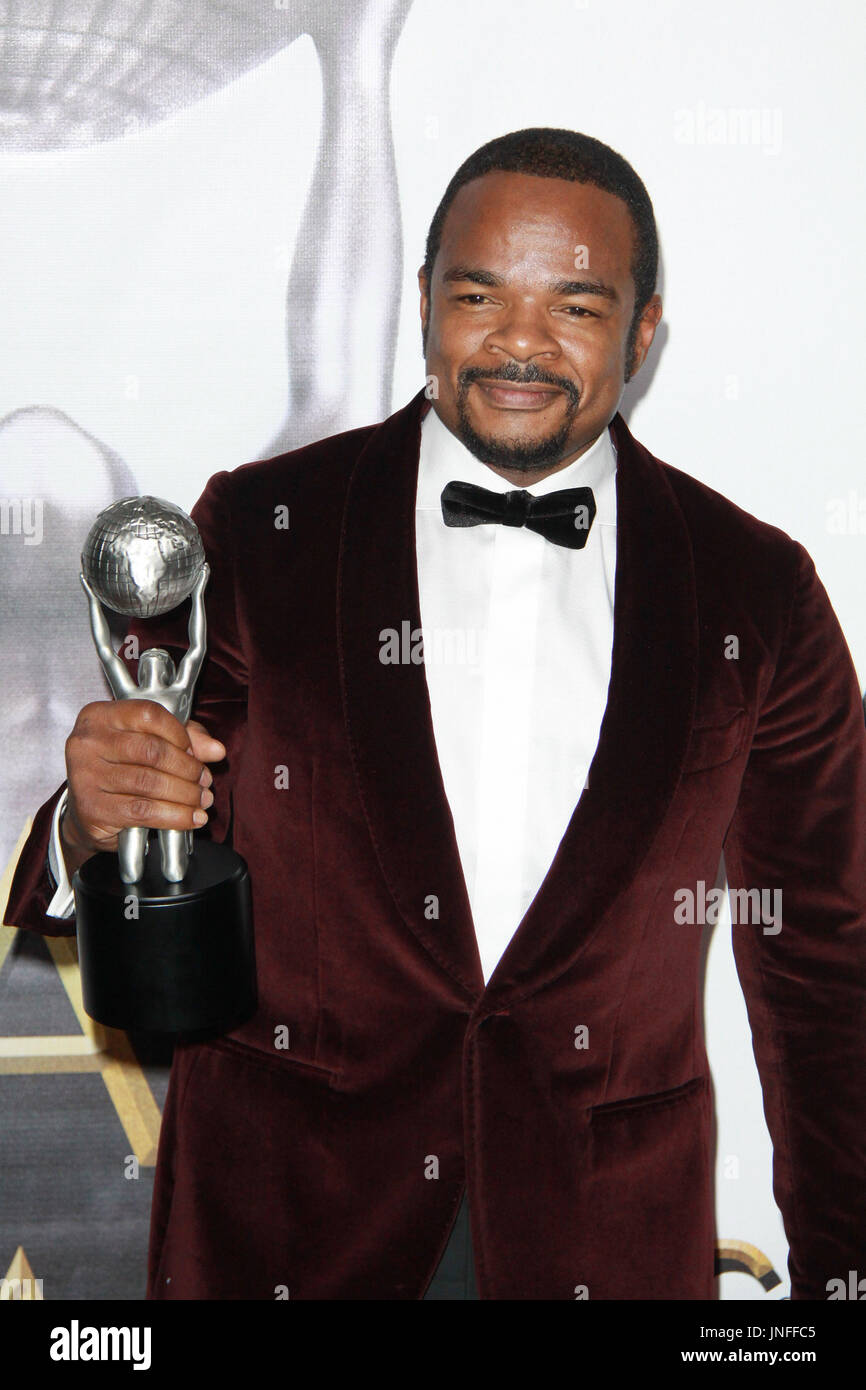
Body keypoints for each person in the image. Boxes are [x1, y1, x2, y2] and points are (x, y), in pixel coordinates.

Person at [6, 127, 866, 1301]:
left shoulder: (756, 592)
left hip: (601, 1246)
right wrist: (88, 828)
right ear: (420, 302)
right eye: (478, 295)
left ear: (644, 329)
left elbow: (825, 974)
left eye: (573, 305)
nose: (519, 342)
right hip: (290, 1238)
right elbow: (155, 817)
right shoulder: (263, 530)